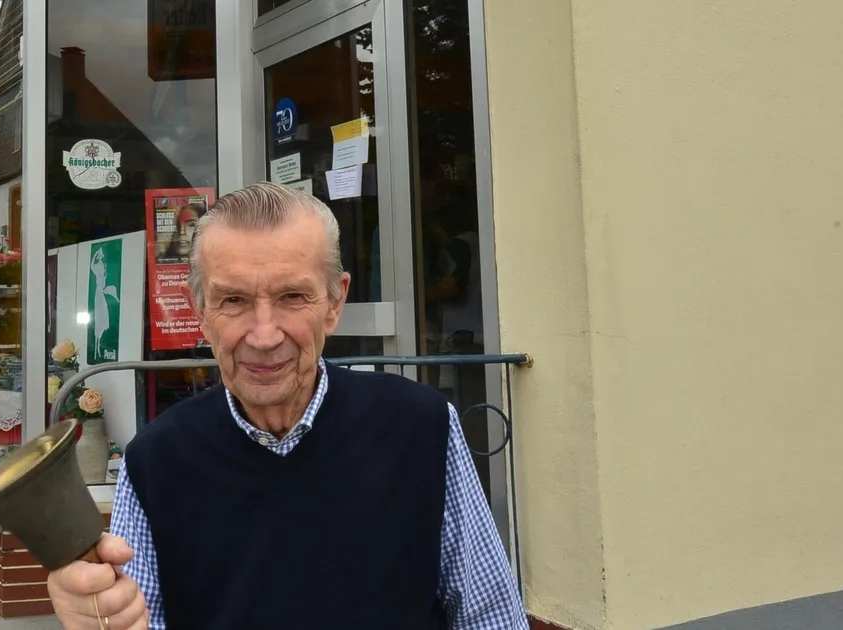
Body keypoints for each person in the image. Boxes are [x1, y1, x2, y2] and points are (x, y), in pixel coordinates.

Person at [47, 181, 528, 630]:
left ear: (334, 303)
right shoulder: (155, 461)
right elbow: (131, 619)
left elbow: (490, 616)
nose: (263, 335)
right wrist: (99, 617)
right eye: (233, 300)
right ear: (200, 312)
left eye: (292, 296)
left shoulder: (423, 428)